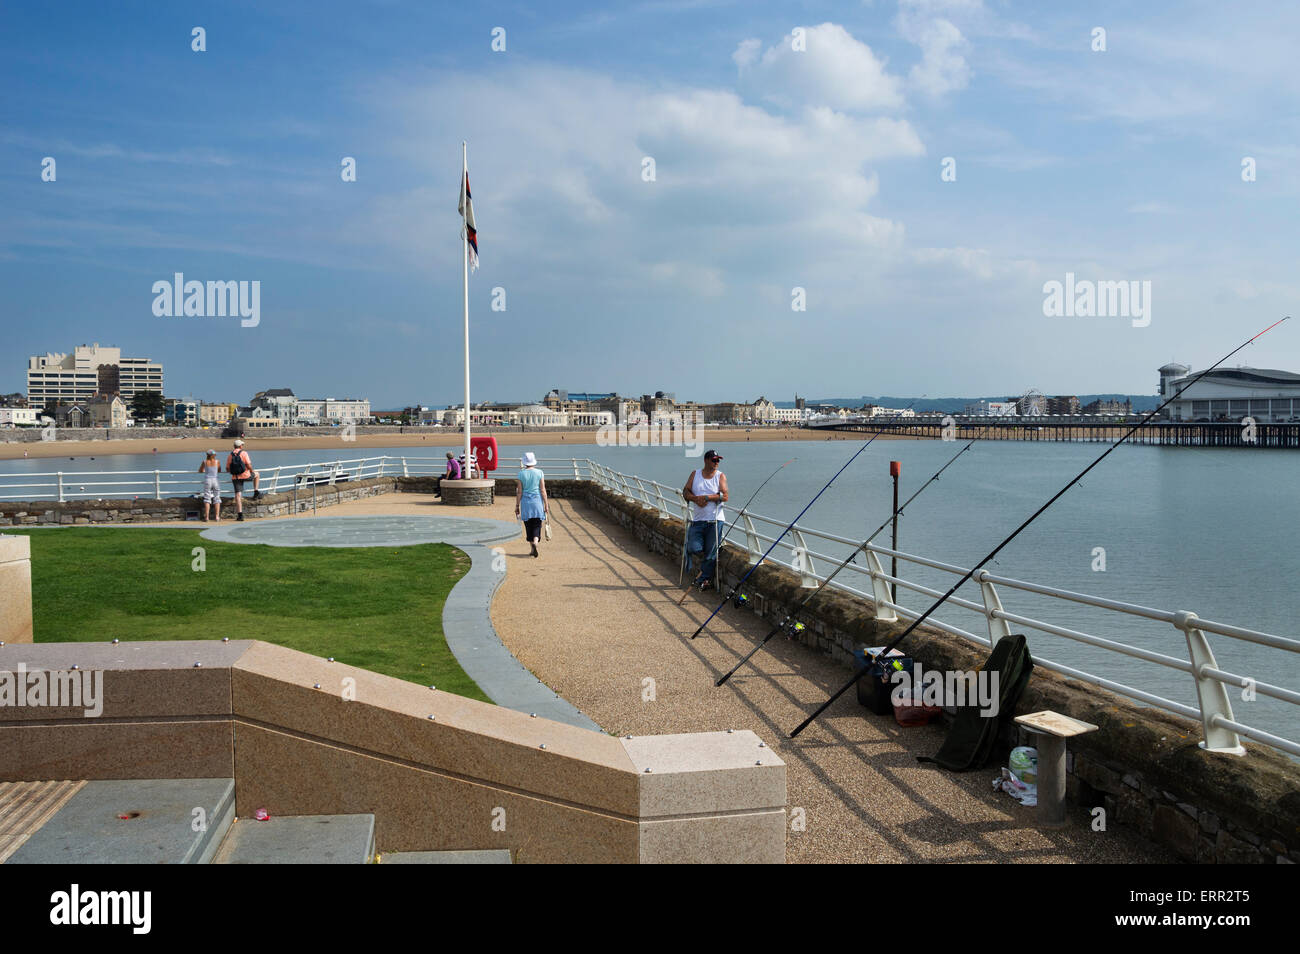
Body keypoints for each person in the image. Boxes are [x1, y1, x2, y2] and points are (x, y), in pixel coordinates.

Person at [682, 449, 728, 590]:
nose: (716, 463)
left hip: (715, 521)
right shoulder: (695, 474)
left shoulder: (720, 476)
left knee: (710, 553)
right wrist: (696, 499)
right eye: (714, 460)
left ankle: (703, 579)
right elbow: (685, 492)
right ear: (706, 460)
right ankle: (706, 570)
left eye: (718, 460)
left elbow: (725, 496)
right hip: (698, 520)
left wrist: (708, 498)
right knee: (693, 547)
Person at [515, 451, 548, 557]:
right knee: (537, 525)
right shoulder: (540, 472)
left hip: (526, 503)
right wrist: (546, 505)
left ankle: (532, 547)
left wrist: (517, 505)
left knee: (528, 525)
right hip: (537, 502)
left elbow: (519, 491)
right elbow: (543, 490)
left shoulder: (521, 474)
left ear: (525, 462)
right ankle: (536, 542)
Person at [226, 439, 261, 521]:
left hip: (236, 477)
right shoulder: (244, 453)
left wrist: (234, 472)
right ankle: (256, 492)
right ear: (241, 446)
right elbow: (248, 465)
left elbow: (227, 468)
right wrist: (251, 471)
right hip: (246, 475)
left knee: (238, 496)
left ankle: (240, 515)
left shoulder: (230, 455)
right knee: (257, 474)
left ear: (234, 446)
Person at [197, 450, 222, 522]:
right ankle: (217, 517)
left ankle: (207, 517)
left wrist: (205, 470)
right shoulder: (217, 462)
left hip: (208, 480)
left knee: (207, 498)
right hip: (215, 480)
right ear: (214, 455)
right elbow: (219, 470)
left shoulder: (204, 462)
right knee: (217, 497)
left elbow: (200, 470)